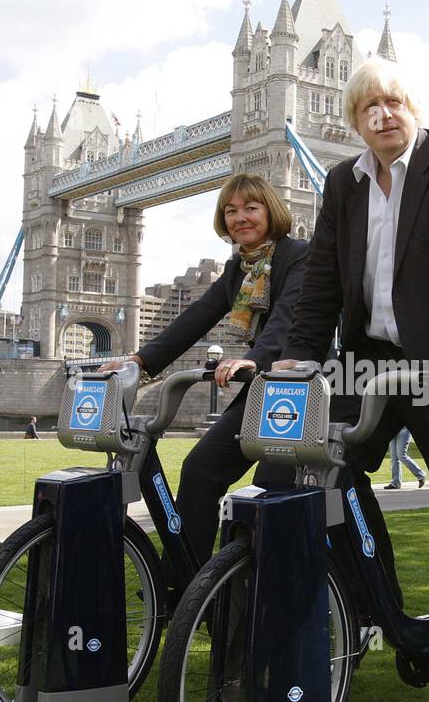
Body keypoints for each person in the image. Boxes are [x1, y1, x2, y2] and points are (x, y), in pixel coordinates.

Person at [273, 57, 429, 648]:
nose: (384, 115)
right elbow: (323, 281)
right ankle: (377, 613)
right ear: (356, 120)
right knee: (309, 472)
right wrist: (300, 355)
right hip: (368, 363)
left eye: (395, 103)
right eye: (369, 107)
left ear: (414, 109)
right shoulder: (343, 183)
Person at [102, 174, 309, 563]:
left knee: (272, 488)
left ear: (272, 211)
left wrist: (254, 358)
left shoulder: (298, 255)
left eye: (251, 207)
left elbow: (289, 318)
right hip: (266, 385)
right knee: (200, 469)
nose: (240, 218)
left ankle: (264, 596)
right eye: (230, 211)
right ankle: (184, 582)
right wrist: (140, 361)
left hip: (301, 388)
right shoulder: (239, 270)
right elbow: (194, 318)